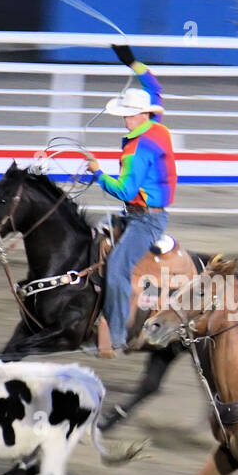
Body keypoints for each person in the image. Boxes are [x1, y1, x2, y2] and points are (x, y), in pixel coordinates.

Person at [86, 44, 178, 355]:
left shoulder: (137, 148)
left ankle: (116, 336)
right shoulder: (159, 128)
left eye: (127, 114)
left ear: (140, 114)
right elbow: (154, 86)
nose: (124, 120)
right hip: (146, 213)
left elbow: (125, 191)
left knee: (117, 267)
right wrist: (131, 62)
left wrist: (98, 173)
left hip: (146, 219)